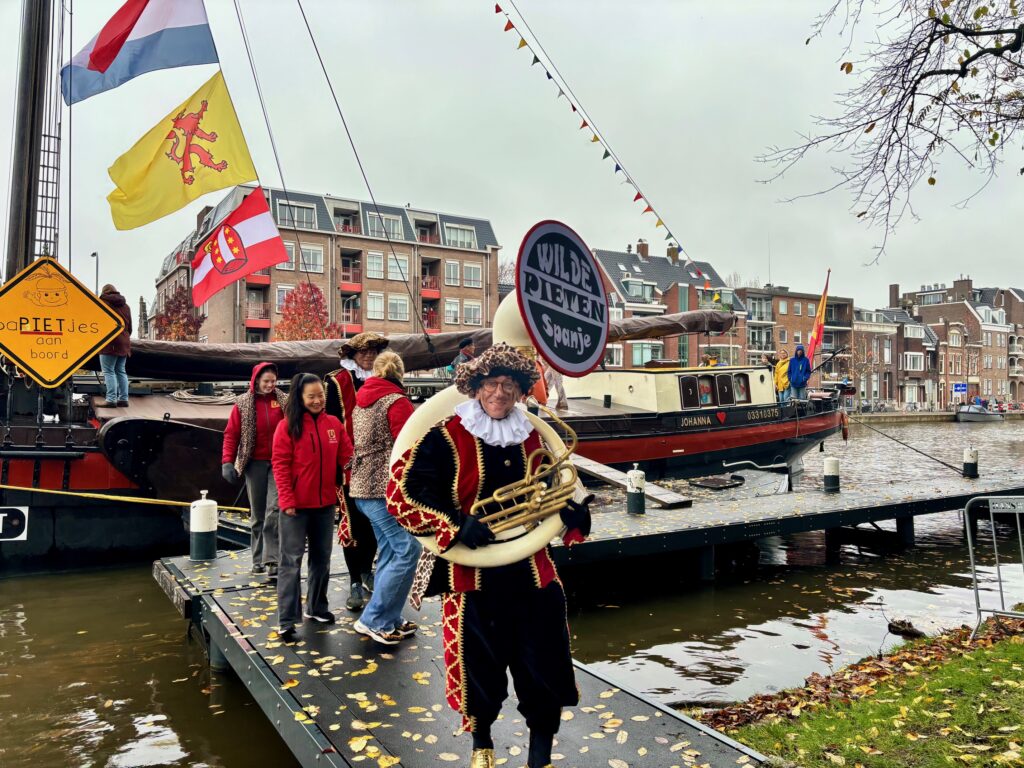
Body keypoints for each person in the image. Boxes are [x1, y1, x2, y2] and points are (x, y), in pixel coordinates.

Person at [388, 343, 592, 768]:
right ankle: (481, 745)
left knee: (545, 665)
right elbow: (402, 492)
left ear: (521, 392)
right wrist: (455, 523)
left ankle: (541, 759)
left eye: (510, 385)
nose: (500, 393)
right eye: (492, 384)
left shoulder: (534, 434)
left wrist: (573, 509)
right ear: (476, 387)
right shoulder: (446, 434)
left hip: (531, 569)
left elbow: (557, 486)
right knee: (477, 670)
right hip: (471, 572)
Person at [272, 373, 353, 641]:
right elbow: (280, 466)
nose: (318, 400)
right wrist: (287, 500)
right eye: (311, 396)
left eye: (321, 395)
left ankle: (317, 607)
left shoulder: (334, 425)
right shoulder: (287, 427)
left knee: (321, 559)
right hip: (295, 507)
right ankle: (286, 619)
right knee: (291, 561)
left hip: (325, 504)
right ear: (300, 397)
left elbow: (347, 457)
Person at [349, 351, 419, 645]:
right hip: (384, 490)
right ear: (400, 375)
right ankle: (374, 619)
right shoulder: (397, 402)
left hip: (362, 487)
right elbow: (410, 447)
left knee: (391, 551)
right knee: (408, 550)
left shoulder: (360, 400)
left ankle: (389, 616)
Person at [325, 332, 389, 611]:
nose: (369, 356)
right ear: (352, 354)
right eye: (364, 352)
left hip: (379, 466)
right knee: (353, 525)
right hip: (349, 467)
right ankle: (354, 581)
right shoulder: (336, 382)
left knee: (377, 523)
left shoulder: (385, 379)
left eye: (373, 351)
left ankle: (366, 571)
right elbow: (329, 423)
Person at [222, 362, 287, 577]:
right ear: (257, 380)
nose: (270, 385)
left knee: (275, 509)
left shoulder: (284, 400)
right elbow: (231, 434)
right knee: (258, 513)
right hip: (254, 463)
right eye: (266, 381)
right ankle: (257, 559)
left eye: (273, 381)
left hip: (279, 462)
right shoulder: (242, 404)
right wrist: (227, 462)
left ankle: (272, 560)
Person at [97, 284, 132, 407]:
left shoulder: (103, 304)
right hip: (124, 342)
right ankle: (123, 399)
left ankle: (111, 399)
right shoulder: (126, 306)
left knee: (108, 371)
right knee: (121, 371)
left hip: (109, 342)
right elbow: (130, 327)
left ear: (104, 292)